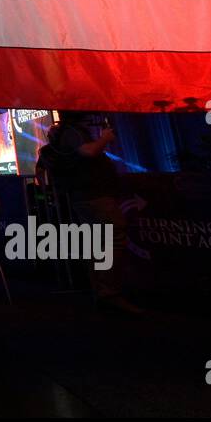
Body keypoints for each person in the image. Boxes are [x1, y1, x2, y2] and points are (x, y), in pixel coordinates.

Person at [40, 112, 138, 314]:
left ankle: (103, 293)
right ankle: (109, 294)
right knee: (112, 239)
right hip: (94, 195)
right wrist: (105, 138)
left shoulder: (65, 134)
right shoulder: (73, 132)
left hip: (86, 196)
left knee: (99, 244)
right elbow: (88, 151)